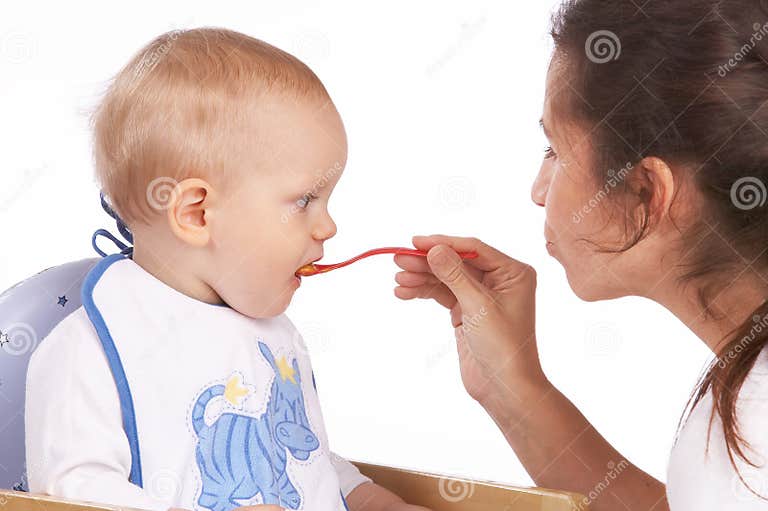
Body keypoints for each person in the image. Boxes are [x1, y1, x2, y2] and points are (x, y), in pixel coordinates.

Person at [25, 27, 429, 511]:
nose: (328, 226)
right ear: (197, 213)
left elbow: (301, 458)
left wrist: (366, 498)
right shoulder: (87, 349)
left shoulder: (267, 335)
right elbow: (73, 493)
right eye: (304, 200)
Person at [393, 1, 768, 509]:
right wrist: (510, 387)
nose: (539, 190)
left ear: (646, 191)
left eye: (556, 152)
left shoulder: (754, 434)